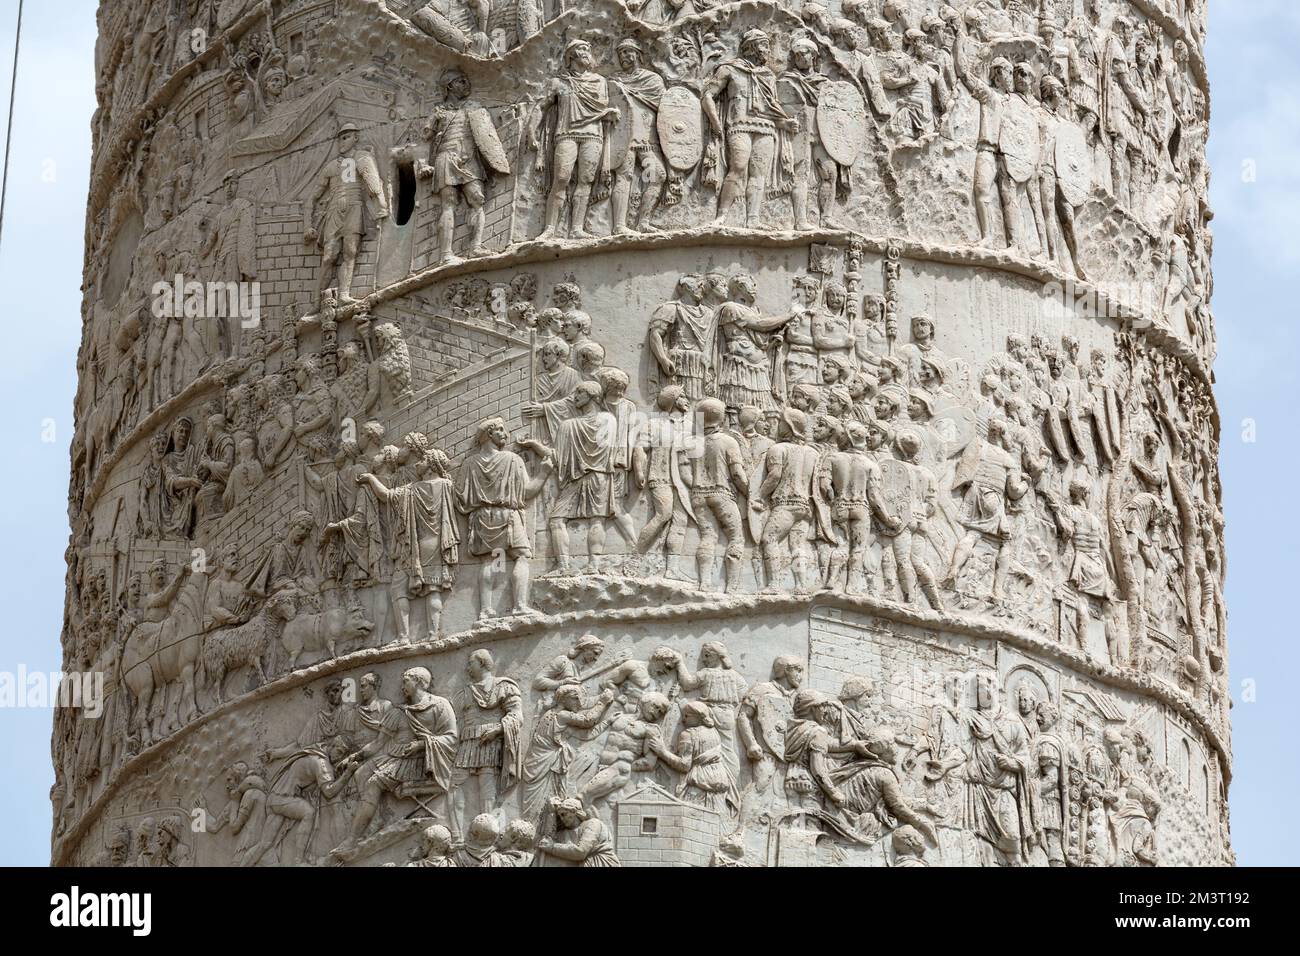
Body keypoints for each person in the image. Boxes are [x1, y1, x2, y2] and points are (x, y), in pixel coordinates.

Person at [457, 417, 553, 619]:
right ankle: (519, 605)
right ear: (488, 435)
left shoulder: (469, 463)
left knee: (490, 561)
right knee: (521, 556)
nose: (505, 434)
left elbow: (460, 498)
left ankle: (485, 610)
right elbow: (527, 492)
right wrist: (544, 472)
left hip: (482, 518)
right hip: (507, 515)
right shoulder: (511, 459)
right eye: (500, 430)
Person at [304, 124, 389, 302]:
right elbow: (312, 198)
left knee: (350, 251)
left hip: (355, 207)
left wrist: (381, 207)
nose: (342, 141)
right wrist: (307, 225)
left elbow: (373, 185)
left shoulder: (363, 158)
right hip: (334, 211)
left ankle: (344, 294)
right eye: (340, 138)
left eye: (346, 137)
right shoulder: (331, 166)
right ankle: (317, 302)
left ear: (356, 138)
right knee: (329, 256)